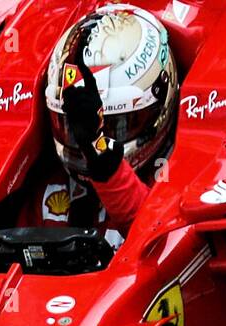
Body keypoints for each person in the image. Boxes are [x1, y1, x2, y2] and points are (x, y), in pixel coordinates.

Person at [28, 4, 180, 245]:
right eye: (71, 125)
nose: (86, 140)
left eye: (115, 125)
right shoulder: (48, 191)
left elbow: (159, 239)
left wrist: (103, 160)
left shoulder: (174, 175)